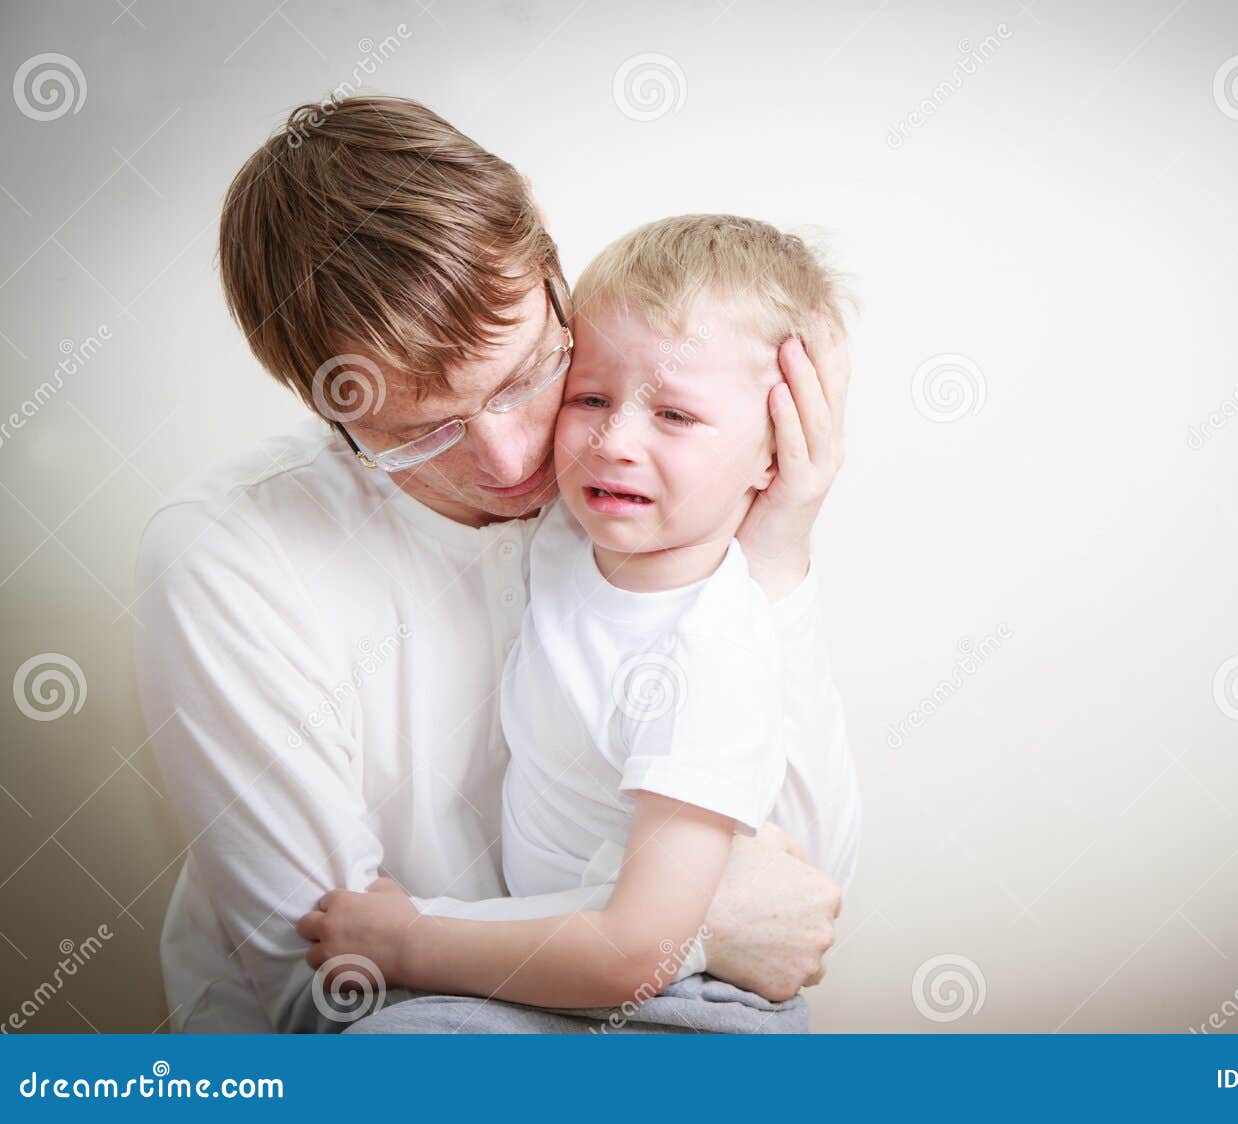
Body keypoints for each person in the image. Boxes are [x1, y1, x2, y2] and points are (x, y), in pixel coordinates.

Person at [133, 97, 856, 1034]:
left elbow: (803, 903)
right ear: (326, 406)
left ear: (549, 261)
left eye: (527, 376)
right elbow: (331, 989)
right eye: (421, 432)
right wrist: (692, 934)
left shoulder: (632, 486)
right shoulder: (229, 556)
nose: (514, 460)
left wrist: (777, 555)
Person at [297, 216, 856, 1026]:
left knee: (395, 1040)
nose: (614, 440)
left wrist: (411, 942)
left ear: (777, 450)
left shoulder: (710, 656)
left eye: (677, 416)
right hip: (569, 968)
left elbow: (636, 953)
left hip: (682, 1002)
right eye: (590, 397)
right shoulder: (568, 532)